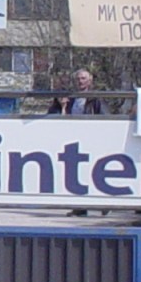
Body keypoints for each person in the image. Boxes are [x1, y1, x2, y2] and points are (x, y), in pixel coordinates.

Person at [48, 68, 107, 217]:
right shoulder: (70, 98)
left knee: (97, 172)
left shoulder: (96, 98)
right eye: (78, 79)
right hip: (74, 140)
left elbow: (106, 117)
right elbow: (52, 115)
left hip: (91, 139)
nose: (80, 81)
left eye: (83, 78)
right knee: (78, 174)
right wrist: (60, 104)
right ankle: (80, 207)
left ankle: (103, 203)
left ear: (90, 80)